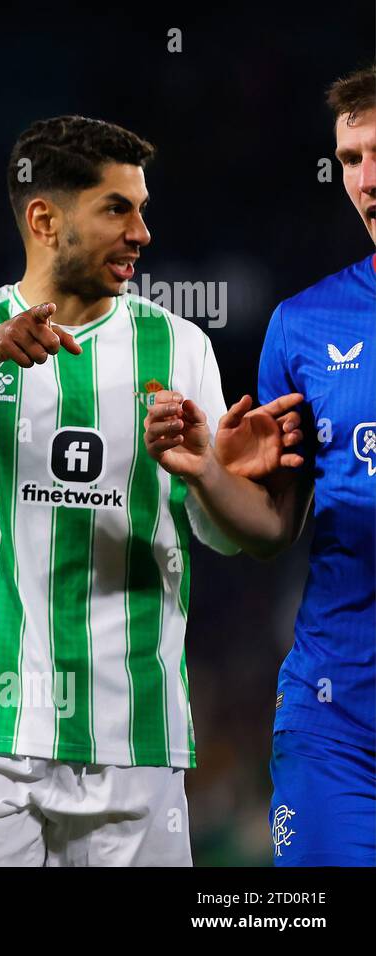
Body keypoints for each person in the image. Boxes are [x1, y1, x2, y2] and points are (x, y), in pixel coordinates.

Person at [0, 115, 295, 866]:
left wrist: (209, 469)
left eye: (143, 208)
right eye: (117, 208)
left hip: (134, 738)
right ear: (44, 218)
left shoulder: (179, 346)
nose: (142, 231)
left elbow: (220, 536)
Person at [144, 64, 375, 867]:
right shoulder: (305, 325)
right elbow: (274, 529)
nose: (366, 180)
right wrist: (208, 471)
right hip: (339, 712)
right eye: (349, 158)